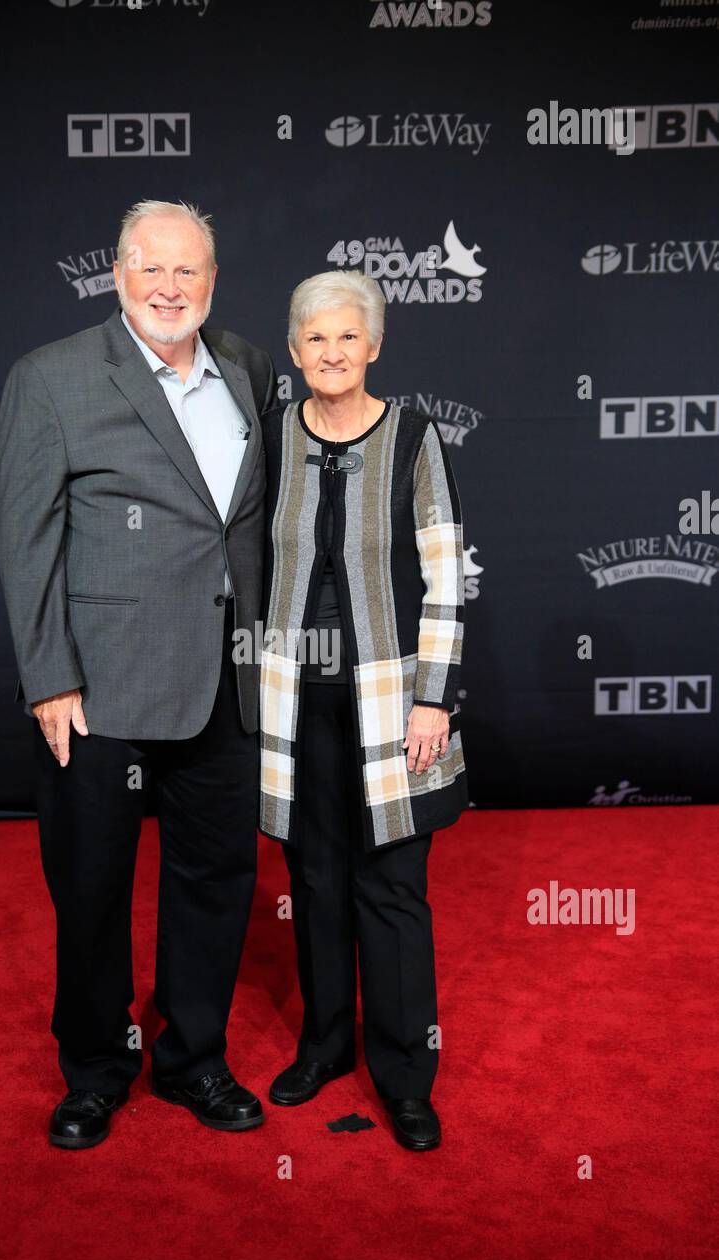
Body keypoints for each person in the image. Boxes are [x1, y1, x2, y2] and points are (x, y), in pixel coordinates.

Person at [0, 199, 277, 1148]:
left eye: (188, 271)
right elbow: (26, 542)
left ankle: (195, 1061)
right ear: (117, 273)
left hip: (224, 680)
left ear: (211, 282)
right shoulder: (54, 378)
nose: (169, 288)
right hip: (100, 687)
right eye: (150, 269)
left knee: (216, 878)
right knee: (92, 884)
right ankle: (96, 1070)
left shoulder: (243, 366)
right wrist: (47, 678)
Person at [258, 270, 469, 1151]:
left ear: (374, 345)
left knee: (392, 886)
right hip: (295, 692)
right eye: (315, 340)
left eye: (349, 338)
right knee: (313, 878)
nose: (332, 354)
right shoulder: (272, 437)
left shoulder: (414, 436)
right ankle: (324, 1045)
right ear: (298, 350)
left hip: (392, 701)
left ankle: (405, 1075)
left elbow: (447, 574)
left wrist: (434, 699)